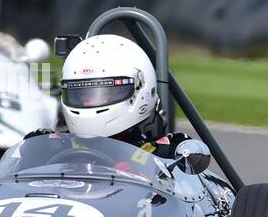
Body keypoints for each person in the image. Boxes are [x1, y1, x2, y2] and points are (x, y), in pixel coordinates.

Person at [58, 34, 186, 157]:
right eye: (82, 94)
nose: (90, 101)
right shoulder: (58, 145)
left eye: (105, 93)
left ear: (139, 87)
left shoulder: (163, 151)